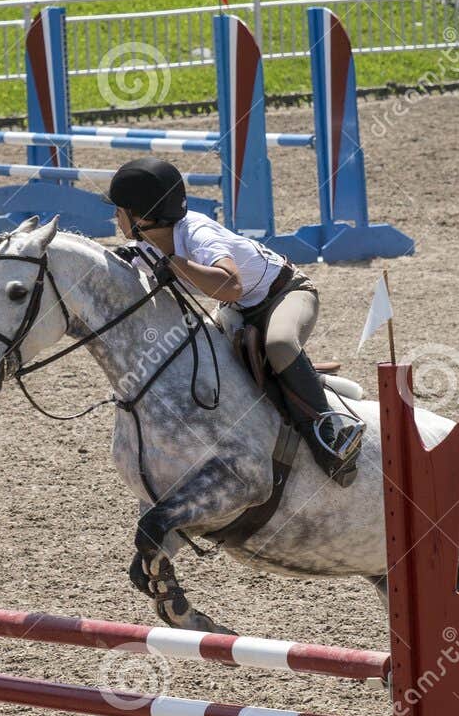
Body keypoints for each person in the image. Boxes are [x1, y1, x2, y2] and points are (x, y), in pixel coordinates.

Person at [105, 156, 363, 484]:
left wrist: (175, 264)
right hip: (240, 310)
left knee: (280, 344)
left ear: (141, 216)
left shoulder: (197, 233)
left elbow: (231, 285)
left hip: (285, 293)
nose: (115, 216)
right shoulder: (144, 244)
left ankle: (331, 433)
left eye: (120, 209)